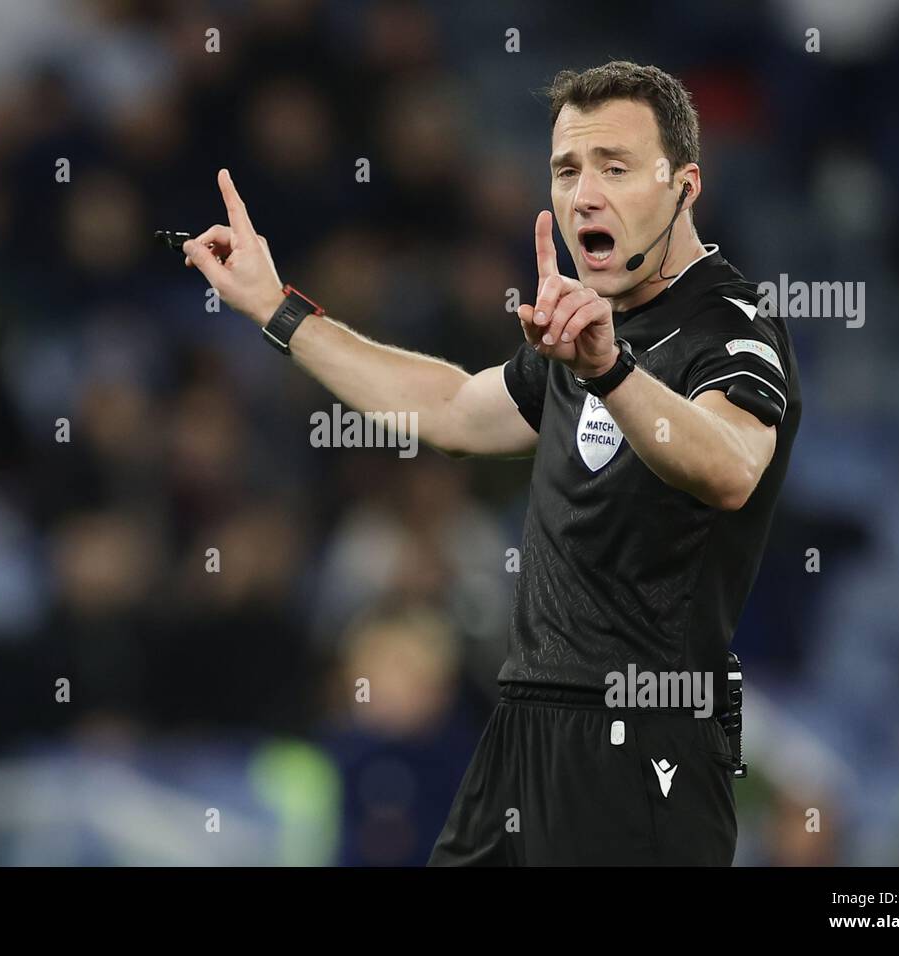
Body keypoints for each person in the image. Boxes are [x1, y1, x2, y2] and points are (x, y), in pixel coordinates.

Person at [179, 60, 800, 865]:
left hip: (644, 739)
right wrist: (277, 307)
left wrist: (610, 373)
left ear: (684, 188)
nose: (585, 195)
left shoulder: (730, 325)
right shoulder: (590, 329)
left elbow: (730, 466)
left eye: (615, 167)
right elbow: (448, 410)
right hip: (524, 727)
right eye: (567, 170)